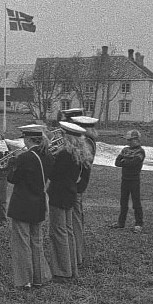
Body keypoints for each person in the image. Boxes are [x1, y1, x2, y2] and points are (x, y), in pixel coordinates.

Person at [6, 124, 54, 289]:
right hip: (39, 203)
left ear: (28, 139)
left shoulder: (24, 157)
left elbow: (13, 179)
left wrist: (11, 165)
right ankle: (39, 277)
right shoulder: (48, 156)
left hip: (22, 203)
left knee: (22, 242)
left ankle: (25, 280)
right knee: (36, 241)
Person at [47, 121, 90, 283]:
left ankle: (62, 271)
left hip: (59, 193)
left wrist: (51, 155)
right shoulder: (81, 153)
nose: (60, 138)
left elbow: (53, 174)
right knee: (68, 231)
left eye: (63, 135)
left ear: (68, 136)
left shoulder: (64, 154)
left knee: (58, 232)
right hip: (70, 192)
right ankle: (72, 268)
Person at [70, 115, 99, 266]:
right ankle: (77, 253)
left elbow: (78, 164)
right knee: (76, 219)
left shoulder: (86, 142)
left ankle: (77, 254)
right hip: (78, 184)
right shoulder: (88, 141)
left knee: (75, 221)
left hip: (77, 185)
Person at [110, 129, 146, 232]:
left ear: (136, 140)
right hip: (124, 179)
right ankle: (121, 223)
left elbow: (134, 163)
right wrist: (126, 162)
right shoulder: (125, 149)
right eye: (128, 140)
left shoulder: (140, 151)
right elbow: (117, 162)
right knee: (123, 202)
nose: (128, 142)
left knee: (136, 202)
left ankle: (139, 223)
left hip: (134, 179)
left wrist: (124, 161)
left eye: (130, 140)